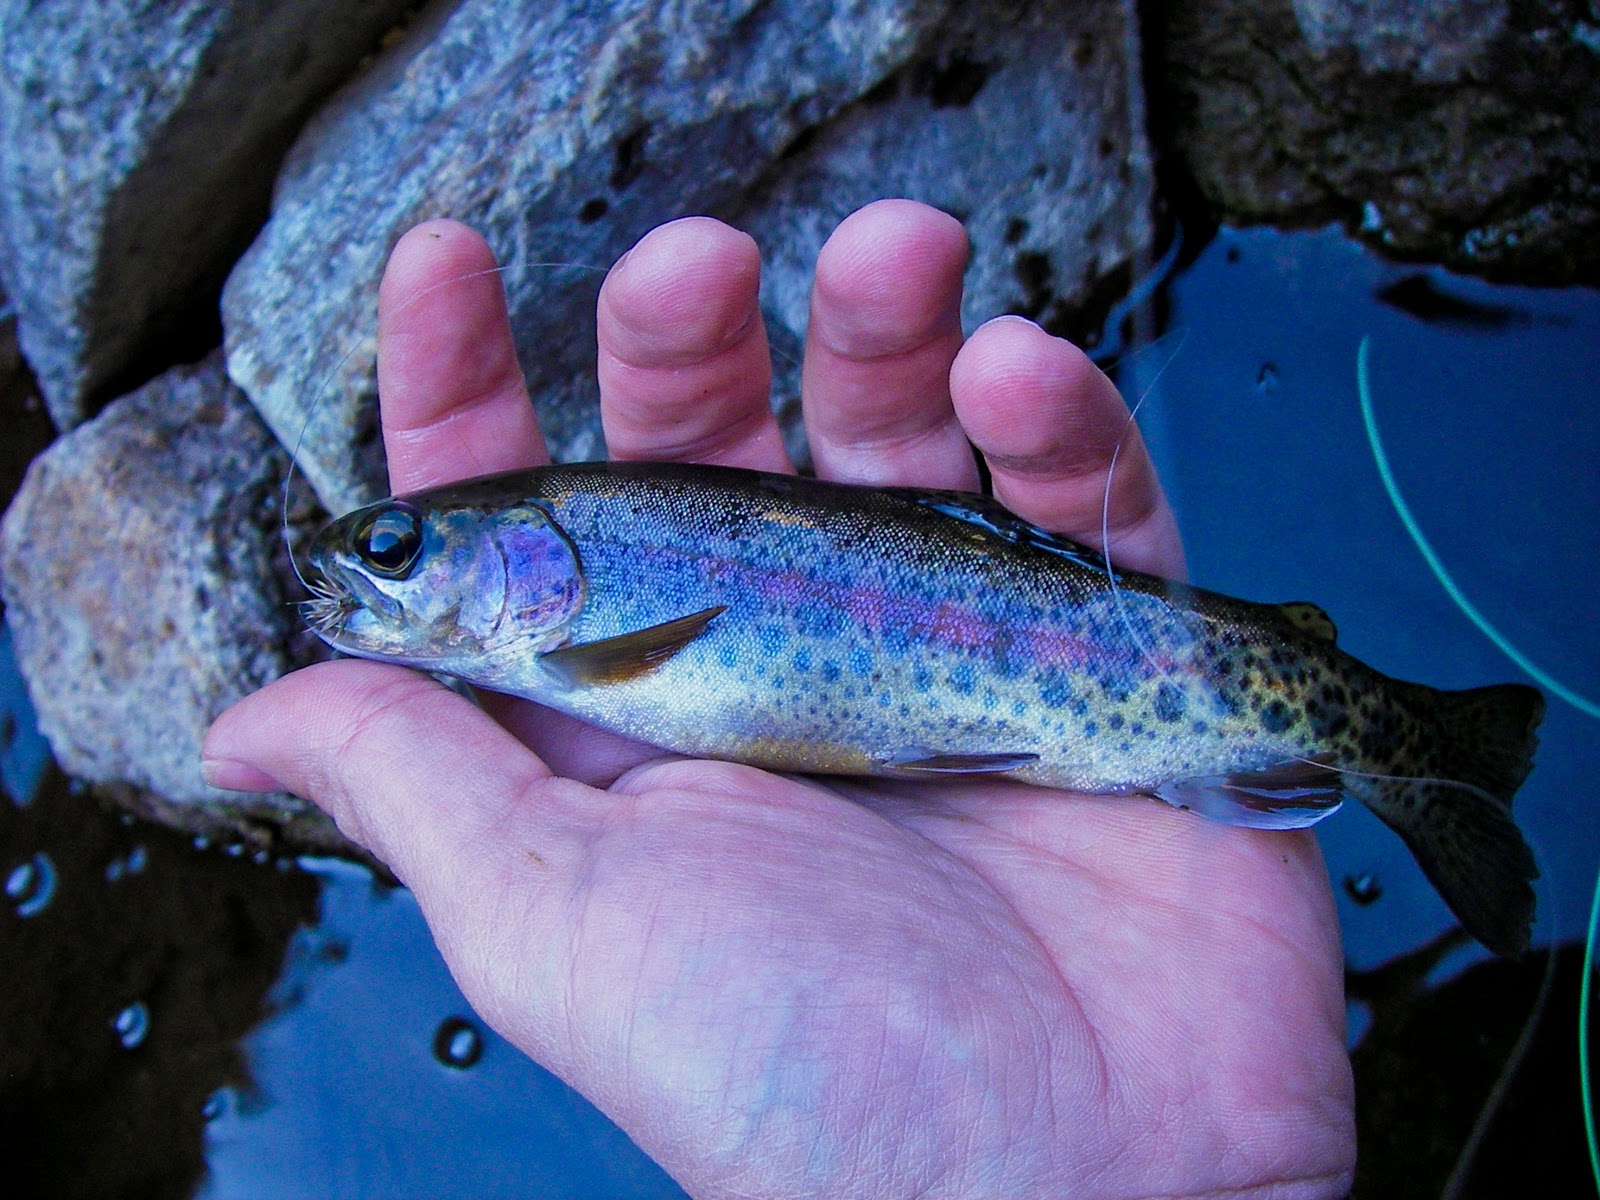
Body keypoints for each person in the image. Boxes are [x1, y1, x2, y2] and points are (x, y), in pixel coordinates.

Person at [203, 200, 1356, 1197]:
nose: (365, 568)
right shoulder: (560, 644)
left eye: (396, 548)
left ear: (528, 549)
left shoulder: (584, 656)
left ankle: (1397, 738)